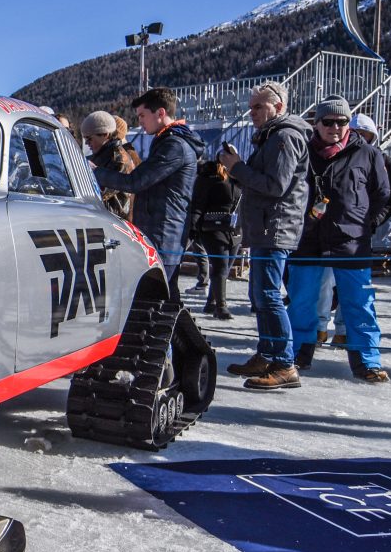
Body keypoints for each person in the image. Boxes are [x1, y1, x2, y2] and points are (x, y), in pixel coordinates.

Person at [285, 95, 390, 382]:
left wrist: (367, 224)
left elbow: (382, 195)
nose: (335, 127)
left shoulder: (367, 153)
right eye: (328, 122)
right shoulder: (303, 152)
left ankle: (367, 362)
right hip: (309, 240)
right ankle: (297, 355)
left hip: (352, 243)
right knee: (302, 302)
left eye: (342, 121)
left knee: (359, 304)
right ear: (316, 124)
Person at [218, 81, 311, 389]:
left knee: (269, 295)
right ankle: (268, 352)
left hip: (275, 227)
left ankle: (284, 362)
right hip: (265, 227)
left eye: (258, 106)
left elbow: (275, 185)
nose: (252, 112)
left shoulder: (284, 137)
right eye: (251, 105)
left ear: (278, 107)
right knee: (260, 295)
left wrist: (237, 168)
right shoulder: (271, 137)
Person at [90, 88, 204, 296]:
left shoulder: (174, 146)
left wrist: (96, 173)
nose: (140, 122)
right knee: (160, 297)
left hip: (164, 233)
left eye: (142, 115)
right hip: (159, 229)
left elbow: (136, 181)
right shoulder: (167, 142)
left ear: (160, 113)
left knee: (161, 297)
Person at [188, 157, 240, 320]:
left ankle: (211, 302)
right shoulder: (208, 177)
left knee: (224, 268)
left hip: (234, 229)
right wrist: (193, 227)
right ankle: (221, 307)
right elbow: (197, 203)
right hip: (213, 227)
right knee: (220, 267)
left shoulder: (238, 177)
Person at [81, 110, 138, 220]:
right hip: (102, 218)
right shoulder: (99, 155)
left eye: (89, 138)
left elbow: (102, 193)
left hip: (115, 222)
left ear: (105, 134)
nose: (87, 143)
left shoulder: (119, 159)